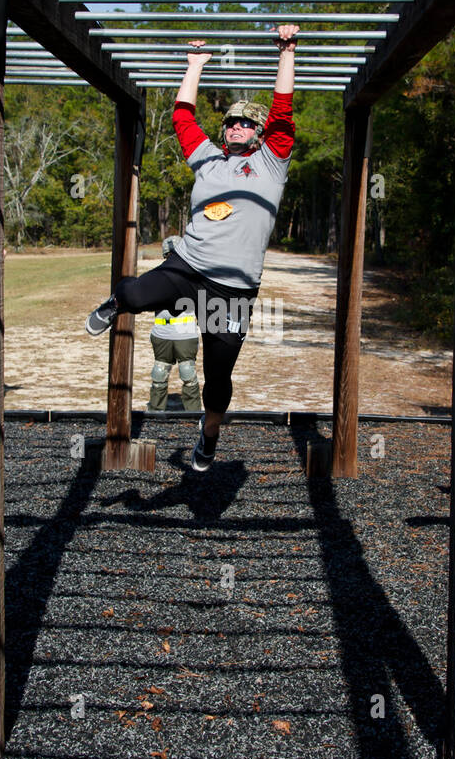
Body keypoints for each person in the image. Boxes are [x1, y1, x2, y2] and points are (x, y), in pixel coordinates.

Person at [85, 23, 299, 470]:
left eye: (246, 122)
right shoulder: (208, 161)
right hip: (187, 266)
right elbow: (182, 117)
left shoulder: (270, 164)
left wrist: (287, 50)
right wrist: (195, 65)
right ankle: (113, 303)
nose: (237, 126)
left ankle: (210, 431)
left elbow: (282, 111)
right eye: (232, 122)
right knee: (137, 294)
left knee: (218, 377)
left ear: (258, 133)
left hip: (234, 290)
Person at [148, 236, 202, 412]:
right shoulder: (157, 276)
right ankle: (156, 412)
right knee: (160, 372)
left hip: (183, 333)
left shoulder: (192, 276)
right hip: (164, 332)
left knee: (186, 372)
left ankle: (193, 414)